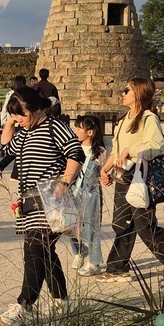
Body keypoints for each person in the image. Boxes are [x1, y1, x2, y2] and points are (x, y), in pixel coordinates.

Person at [0, 86, 85, 326]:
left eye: (21, 115)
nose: (19, 120)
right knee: (44, 252)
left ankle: (25, 304)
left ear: (35, 108)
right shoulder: (25, 131)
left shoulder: (54, 126)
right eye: (15, 115)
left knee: (34, 249)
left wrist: (65, 182)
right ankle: (61, 300)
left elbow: (76, 153)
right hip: (28, 201)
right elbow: (7, 149)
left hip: (50, 200)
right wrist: (10, 122)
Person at [98, 77, 164, 282]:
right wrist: (104, 169)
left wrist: (131, 150)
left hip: (141, 178)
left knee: (144, 225)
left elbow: (155, 145)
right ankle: (117, 268)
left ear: (138, 93)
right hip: (124, 178)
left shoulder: (148, 118)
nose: (122, 93)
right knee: (121, 223)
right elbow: (117, 150)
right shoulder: (123, 120)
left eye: (126, 90)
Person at [67, 114, 106, 276]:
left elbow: (100, 171)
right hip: (71, 190)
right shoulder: (72, 147)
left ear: (90, 132)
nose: (76, 131)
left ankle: (95, 262)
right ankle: (79, 250)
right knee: (68, 225)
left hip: (90, 193)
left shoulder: (100, 152)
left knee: (91, 226)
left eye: (79, 128)